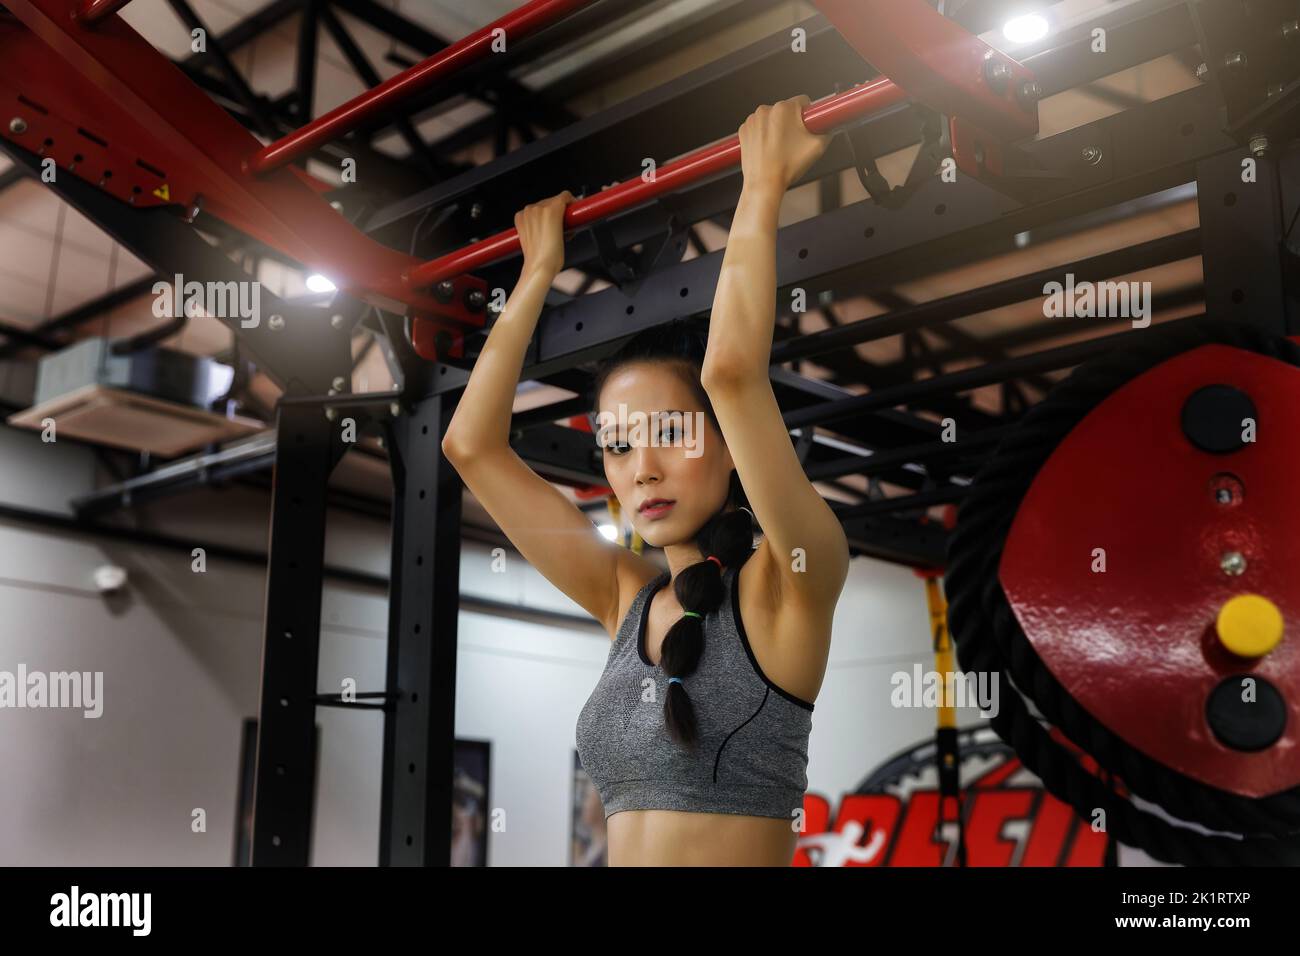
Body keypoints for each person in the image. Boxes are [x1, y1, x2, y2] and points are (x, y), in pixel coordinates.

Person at [441, 95, 849, 866]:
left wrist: (761, 188)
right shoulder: (627, 598)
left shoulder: (792, 581)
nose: (642, 469)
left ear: (729, 448)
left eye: (668, 434)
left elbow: (729, 374)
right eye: (617, 447)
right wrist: (536, 275)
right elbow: (471, 446)